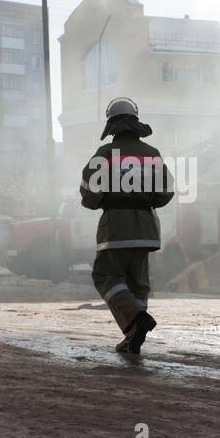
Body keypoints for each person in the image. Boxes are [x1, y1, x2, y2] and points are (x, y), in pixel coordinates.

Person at [80, 97, 175, 352]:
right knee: (138, 283)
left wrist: (103, 200)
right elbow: (166, 191)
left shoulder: (105, 155)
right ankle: (135, 335)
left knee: (106, 275)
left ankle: (136, 319)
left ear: (111, 126)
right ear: (135, 122)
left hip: (116, 228)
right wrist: (146, 202)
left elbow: (89, 194)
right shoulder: (152, 154)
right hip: (146, 228)